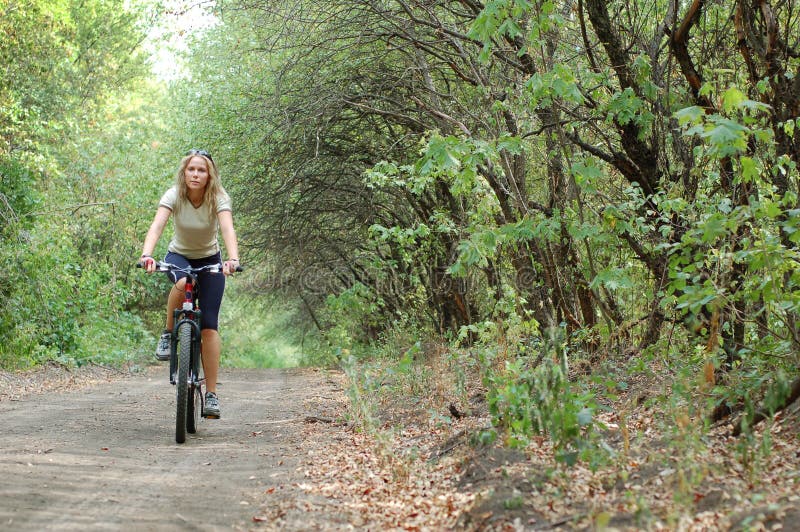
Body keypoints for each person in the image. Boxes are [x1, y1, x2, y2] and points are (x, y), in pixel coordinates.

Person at [139, 148, 240, 419]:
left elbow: (228, 228)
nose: (196, 174)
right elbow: (157, 225)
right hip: (179, 256)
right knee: (182, 281)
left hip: (210, 261)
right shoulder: (174, 194)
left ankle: (212, 394)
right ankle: (168, 334)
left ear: (209, 175)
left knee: (208, 326)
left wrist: (232, 259)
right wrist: (147, 254)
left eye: (202, 170)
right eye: (191, 169)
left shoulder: (218, 197)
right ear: (185, 172)